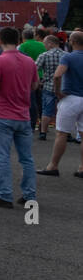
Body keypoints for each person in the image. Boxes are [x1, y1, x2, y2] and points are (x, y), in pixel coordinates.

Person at [0, 27, 38, 208]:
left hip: (3, 114)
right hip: (23, 114)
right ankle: (29, 194)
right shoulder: (29, 61)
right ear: (18, 39)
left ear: (0, 40)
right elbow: (35, 85)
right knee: (27, 158)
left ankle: (5, 195)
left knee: (2, 157)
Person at [39, 30, 83, 178]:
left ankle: (53, 166)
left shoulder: (68, 57)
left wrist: (58, 92)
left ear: (72, 42)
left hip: (70, 97)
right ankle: (82, 168)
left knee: (62, 133)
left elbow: (58, 75)